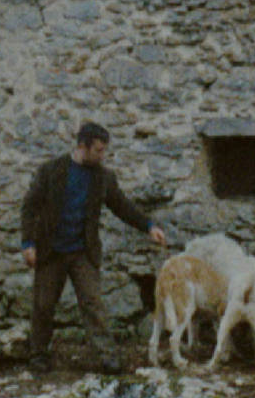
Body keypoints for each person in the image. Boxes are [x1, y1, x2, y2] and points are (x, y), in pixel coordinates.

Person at [18, 121, 167, 373]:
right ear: (82, 146)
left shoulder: (103, 177)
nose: (102, 155)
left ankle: (107, 357)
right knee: (43, 305)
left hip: (82, 252)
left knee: (93, 303)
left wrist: (149, 226)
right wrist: (28, 243)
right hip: (50, 249)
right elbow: (30, 207)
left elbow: (121, 206)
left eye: (103, 150)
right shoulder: (51, 171)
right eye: (98, 150)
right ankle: (38, 355)